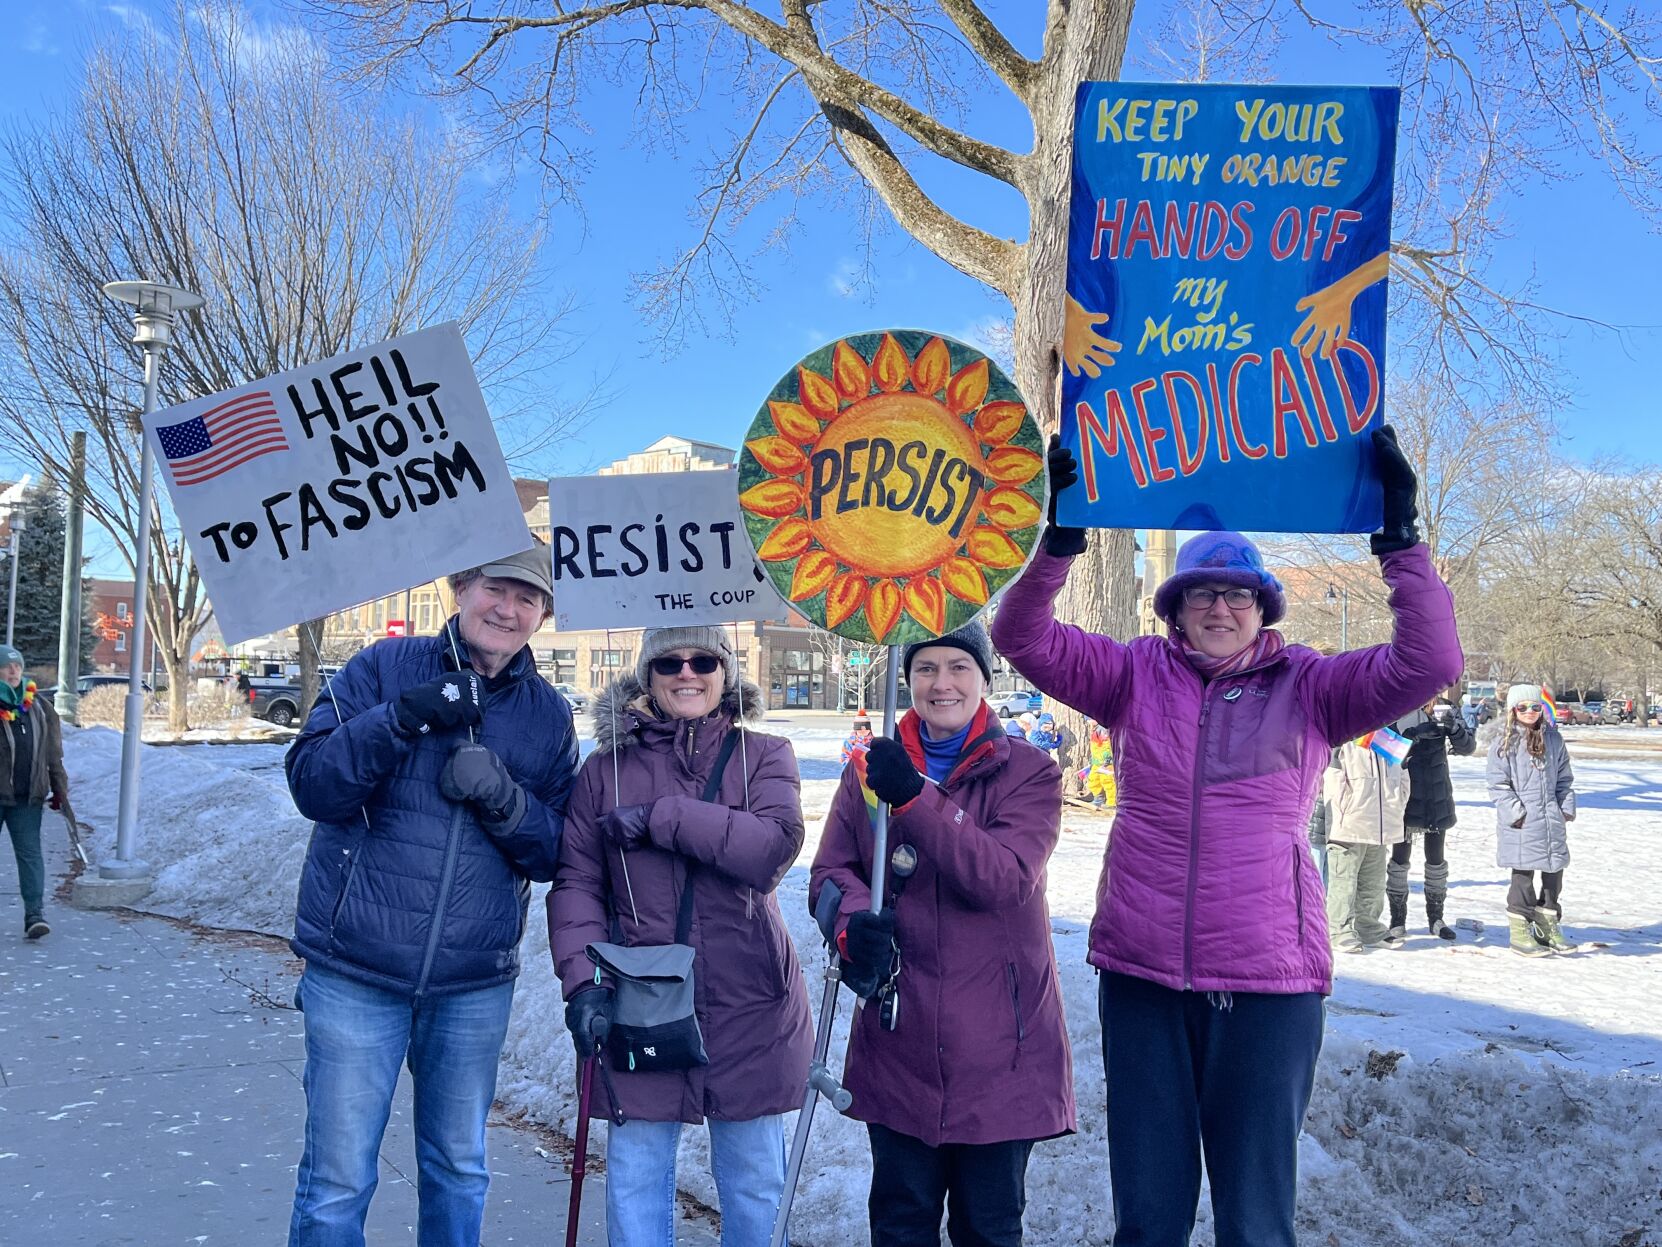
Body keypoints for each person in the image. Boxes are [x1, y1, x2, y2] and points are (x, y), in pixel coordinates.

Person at [990, 427, 1462, 1247]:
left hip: (1267, 985)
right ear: (1174, 607)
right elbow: (1019, 638)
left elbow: (1429, 662)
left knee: (1255, 1220)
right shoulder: (1132, 674)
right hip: (1143, 979)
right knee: (1148, 1218)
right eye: (1201, 592)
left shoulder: (1313, 686)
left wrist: (1400, 544)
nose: (1219, 605)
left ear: (1261, 607)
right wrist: (1058, 542)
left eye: (1237, 594)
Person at [284, 546, 578, 1246]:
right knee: (337, 1181)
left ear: (543, 616)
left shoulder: (548, 715)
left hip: (472, 984)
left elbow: (557, 849)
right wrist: (401, 718)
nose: (508, 608)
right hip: (357, 969)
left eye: (527, 598)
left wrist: (502, 796)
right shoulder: (380, 669)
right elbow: (314, 784)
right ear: (460, 586)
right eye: (495, 589)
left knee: (458, 1168)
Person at [810, 622, 1074, 1247]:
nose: (942, 683)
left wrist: (913, 800)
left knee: (988, 1227)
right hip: (900, 1035)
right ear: (907, 683)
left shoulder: (1030, 773)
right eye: (926, 669)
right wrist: (852, 927)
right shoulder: (869, 771)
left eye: (959, 667)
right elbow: (830, 873)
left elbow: (1003, 879)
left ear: (984, 679)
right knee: (901, 1223)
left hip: (999, 1050)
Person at [550, 626, 813, 1246]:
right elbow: (577, 884)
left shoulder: (766, 754)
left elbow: (771, 849)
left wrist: (663, 817)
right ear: (647, 675)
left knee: (753, 1182)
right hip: (643, 999)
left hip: (749, 997)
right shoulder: (603, 771)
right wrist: (582, 983)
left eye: (703, 660)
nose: (686, 673)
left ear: (726, 672)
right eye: (669, 661)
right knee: (637, 1174)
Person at [1488, 683, 1577, 956]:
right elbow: (1498, 784)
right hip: (1522, 822)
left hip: (1550, 819)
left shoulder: (1553, 739)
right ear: (1513, 710)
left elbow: (1564, 778)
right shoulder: (1505, 742)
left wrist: (1564, 808)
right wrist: (1517, 813)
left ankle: (1547, 923)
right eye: (1523, 707)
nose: (1529, 712)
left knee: (1553, 873)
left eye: (1535, 707)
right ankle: (1520, 929)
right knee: (1523, 876)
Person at [1389, 699, 1475, 941]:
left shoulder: (1445, 708)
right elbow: (1385, 749)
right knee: (1399, 858)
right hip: (1406, 794)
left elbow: (1468, 747)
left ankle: (1436, 918)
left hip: (1437, 794)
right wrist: (1410, 739)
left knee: (1436, 860)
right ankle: (1397, 920)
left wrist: (1454, 728)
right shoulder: (1398, 707)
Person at [0, 645, 69, 940]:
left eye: (17, 665)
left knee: (30, 855)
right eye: (6, 666)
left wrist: (59, 789)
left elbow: (53, 755)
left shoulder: (38, 707)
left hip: (28, 797)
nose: (14, 670)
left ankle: (34, 915)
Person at [1321, 735, 1409, 953]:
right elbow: (1331, 781)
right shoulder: (1343, 739)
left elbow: (1400, 779)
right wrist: (1344, 810)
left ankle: (1368, 927)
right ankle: (1338, 929)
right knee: (1344, 882)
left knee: (1374, 883)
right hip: (1350, 823)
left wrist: (1398, 803)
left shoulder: (1387, 740)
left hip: (1380, 825)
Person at [1082, 722, 1115, 808]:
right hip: (1096, 761)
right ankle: (1098, 798)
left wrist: (1107, 758)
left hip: (1105, 762)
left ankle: (1112, 802)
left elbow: (1106, 745)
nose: (1090, 722)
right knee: (1093, 780)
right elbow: (1095, 748)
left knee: (1107, 781)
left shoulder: (1102, 729)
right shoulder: (1094, 729)